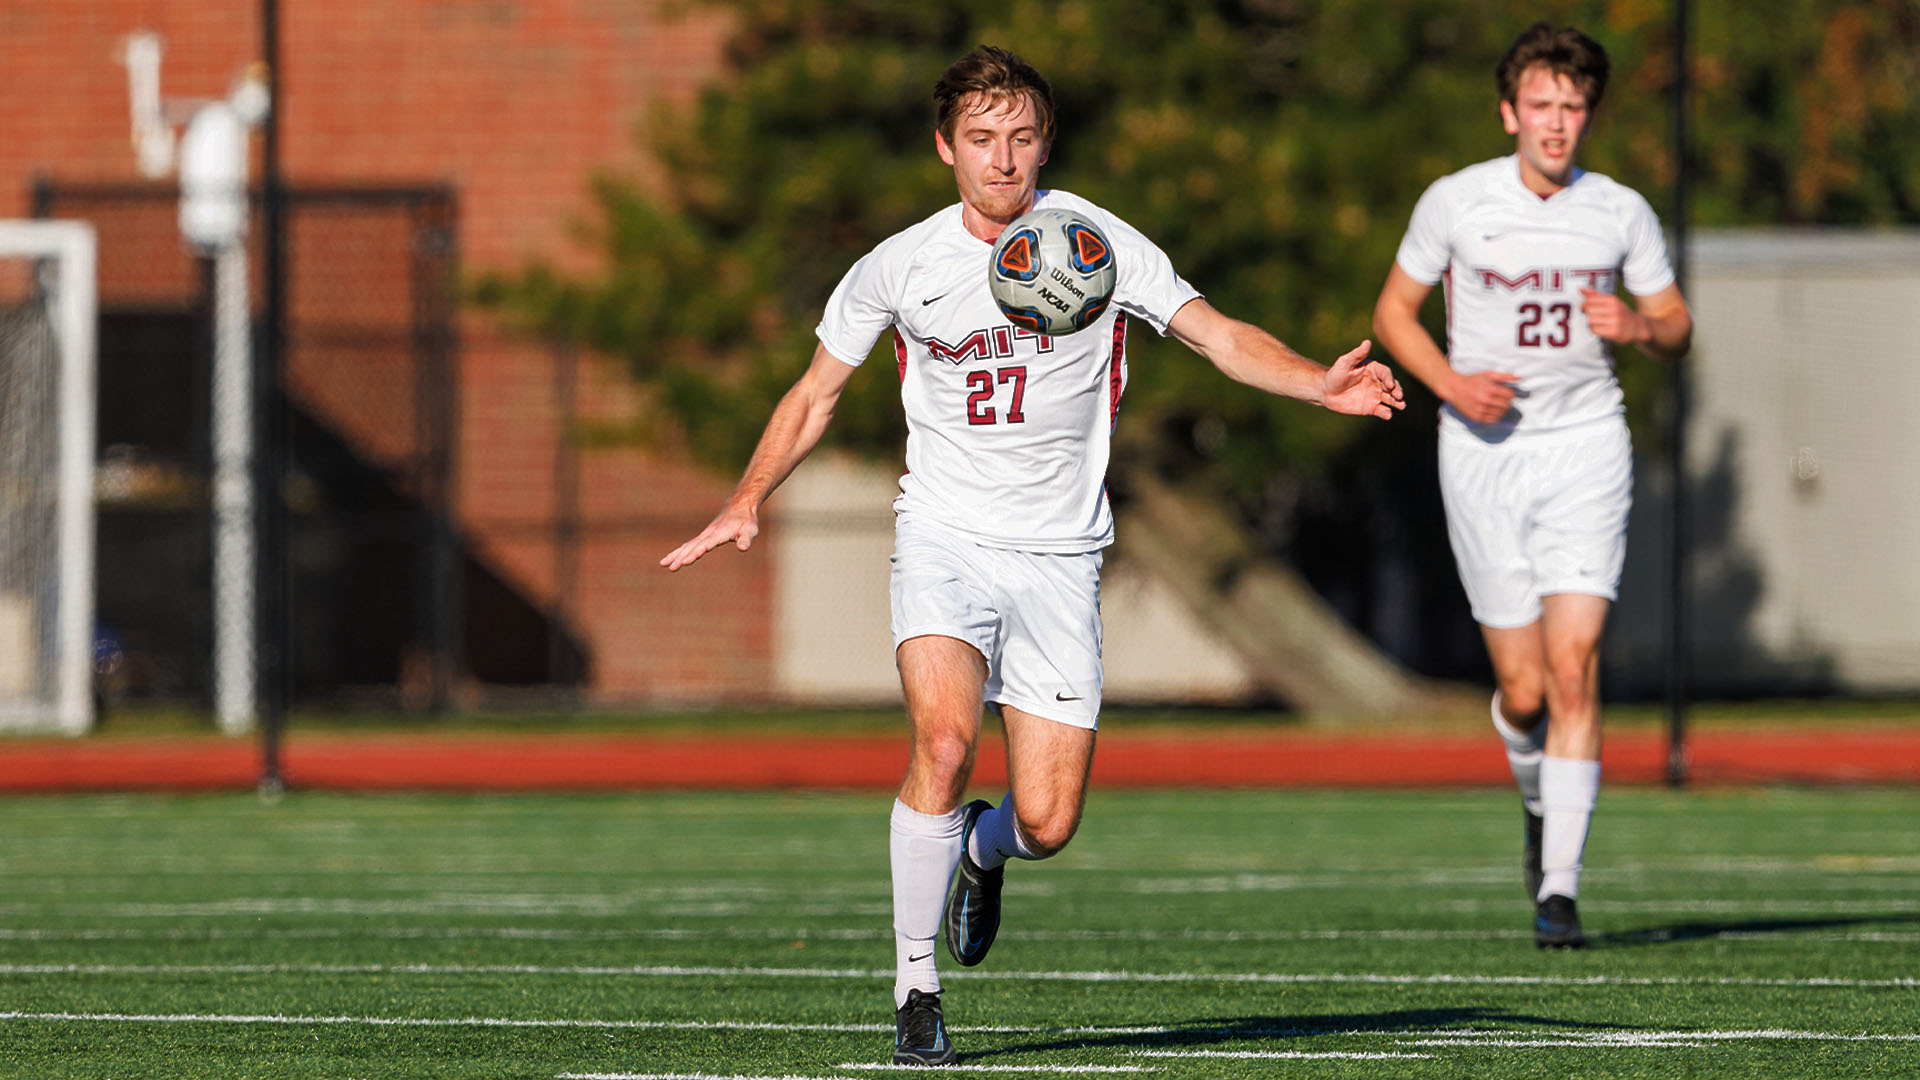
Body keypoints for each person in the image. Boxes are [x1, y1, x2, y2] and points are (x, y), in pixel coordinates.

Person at [663, 44, 1403, 1064]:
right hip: (945, 536)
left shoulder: (1093, 241)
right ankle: (915, 989)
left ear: (1043, 144)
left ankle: (981, 845)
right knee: (943, 741)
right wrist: (748, 498)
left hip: (1060, 554)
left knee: (1049, 821)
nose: (1003, 160)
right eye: (981, 140)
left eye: (1020, 138)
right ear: (944, 148)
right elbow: (814, 393)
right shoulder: (901, 264)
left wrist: (1316, 380)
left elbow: (1214, 332)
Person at [1371, 23, 1692, 949]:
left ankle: (1559, 892)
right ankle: (1536, 797)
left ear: (1589, 116)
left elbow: (1676, 326)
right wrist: (1453, 383)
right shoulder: (1457, 201)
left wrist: (1637, 325)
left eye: (1574, 107)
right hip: (1481, 453)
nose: (1558, 124)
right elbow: (1394, 312)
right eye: (1543, 105)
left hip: (1586, 446)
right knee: (1520, 688)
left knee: (1573, 663)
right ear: (1511, 112)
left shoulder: (1620, 211)